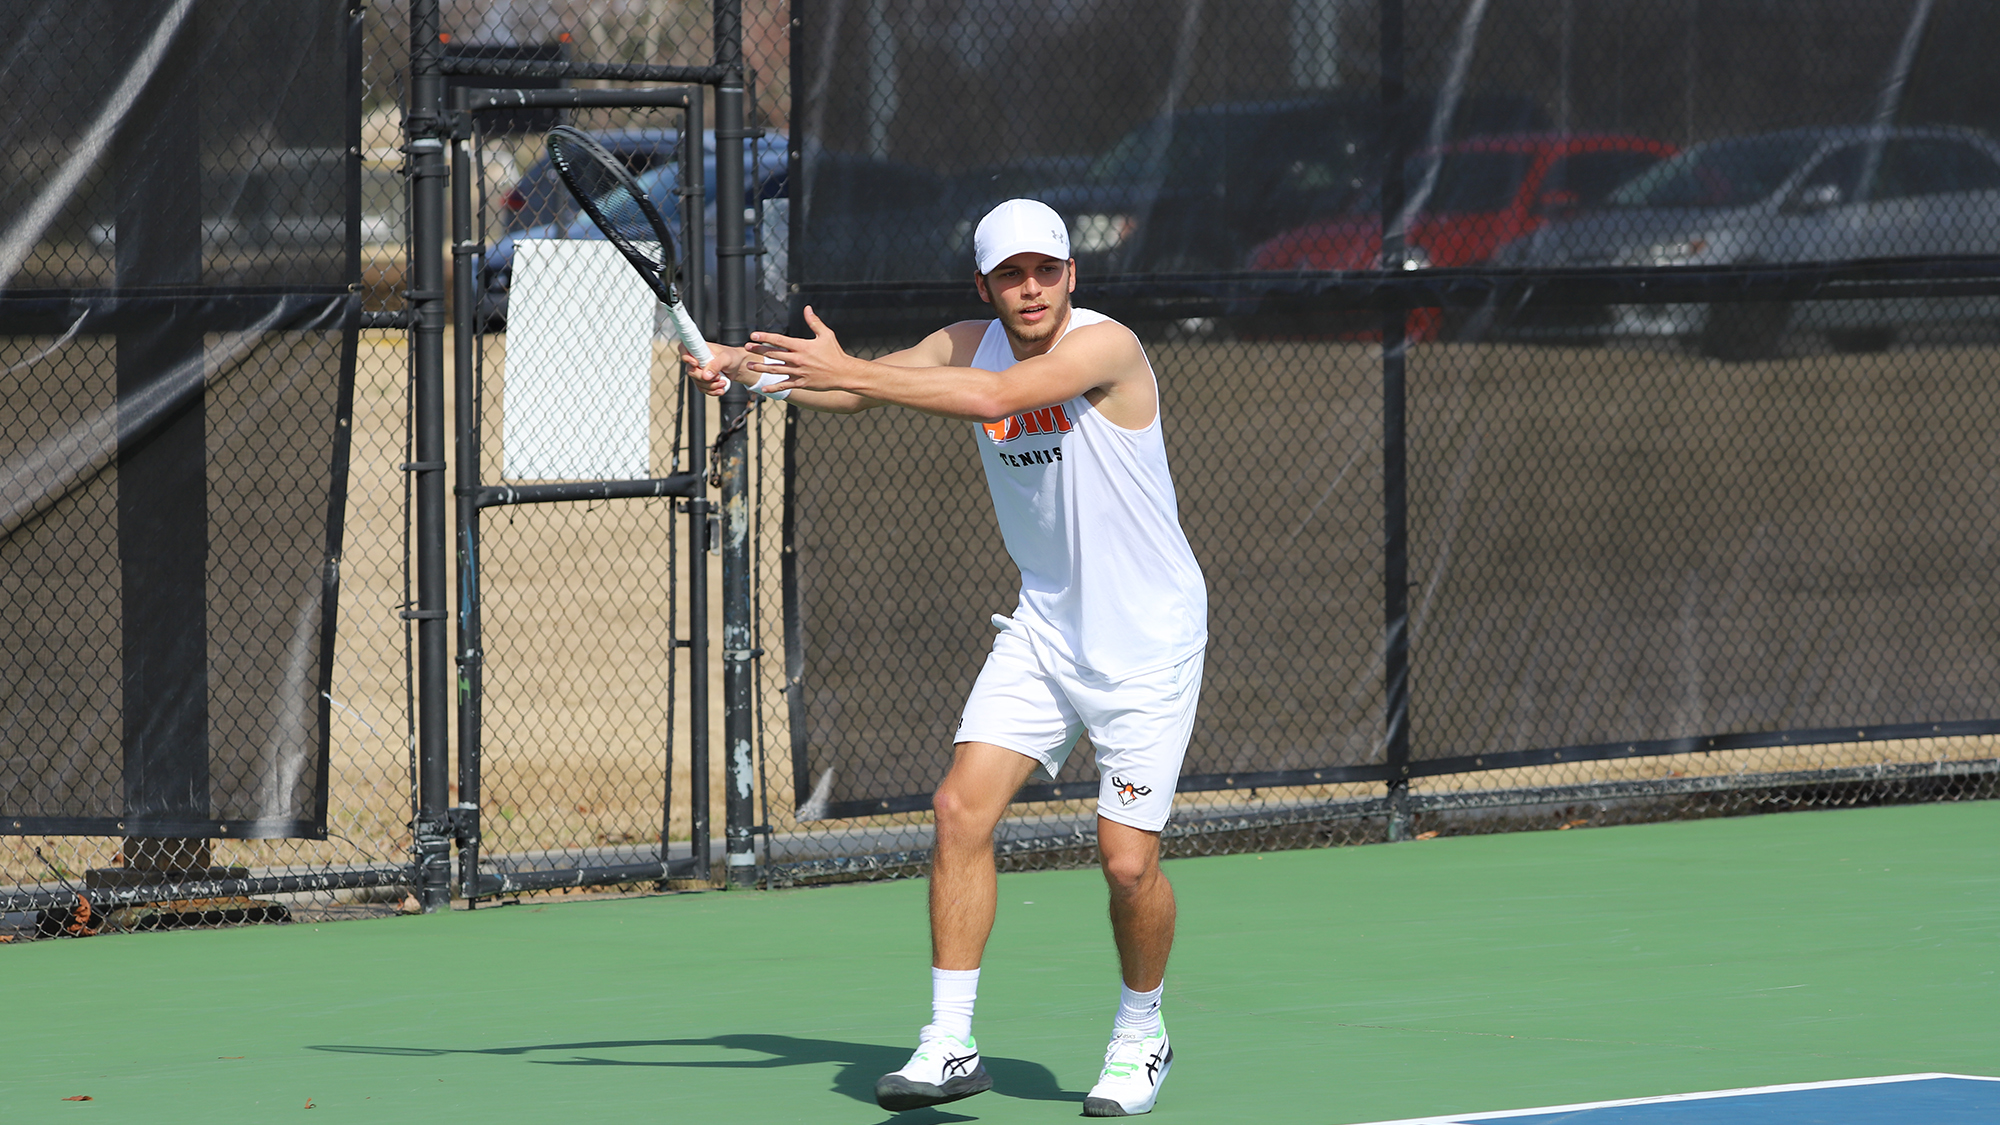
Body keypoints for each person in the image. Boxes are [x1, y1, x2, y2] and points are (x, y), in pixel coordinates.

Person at [684, 198, 1207, 1117]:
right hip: (1047, 626)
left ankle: (1142, 1032)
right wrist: (747, 372)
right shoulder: (969, 340)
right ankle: (950, 1042)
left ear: (1072, 275)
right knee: (960, 807)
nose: (1032, 287)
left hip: (1147, 641)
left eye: (1046, 269)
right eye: (1012, 274)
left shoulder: (1107, 348)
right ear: (986, 285)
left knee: (1127, 862)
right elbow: (852, 387)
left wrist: (845, 370)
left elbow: (992, 401)